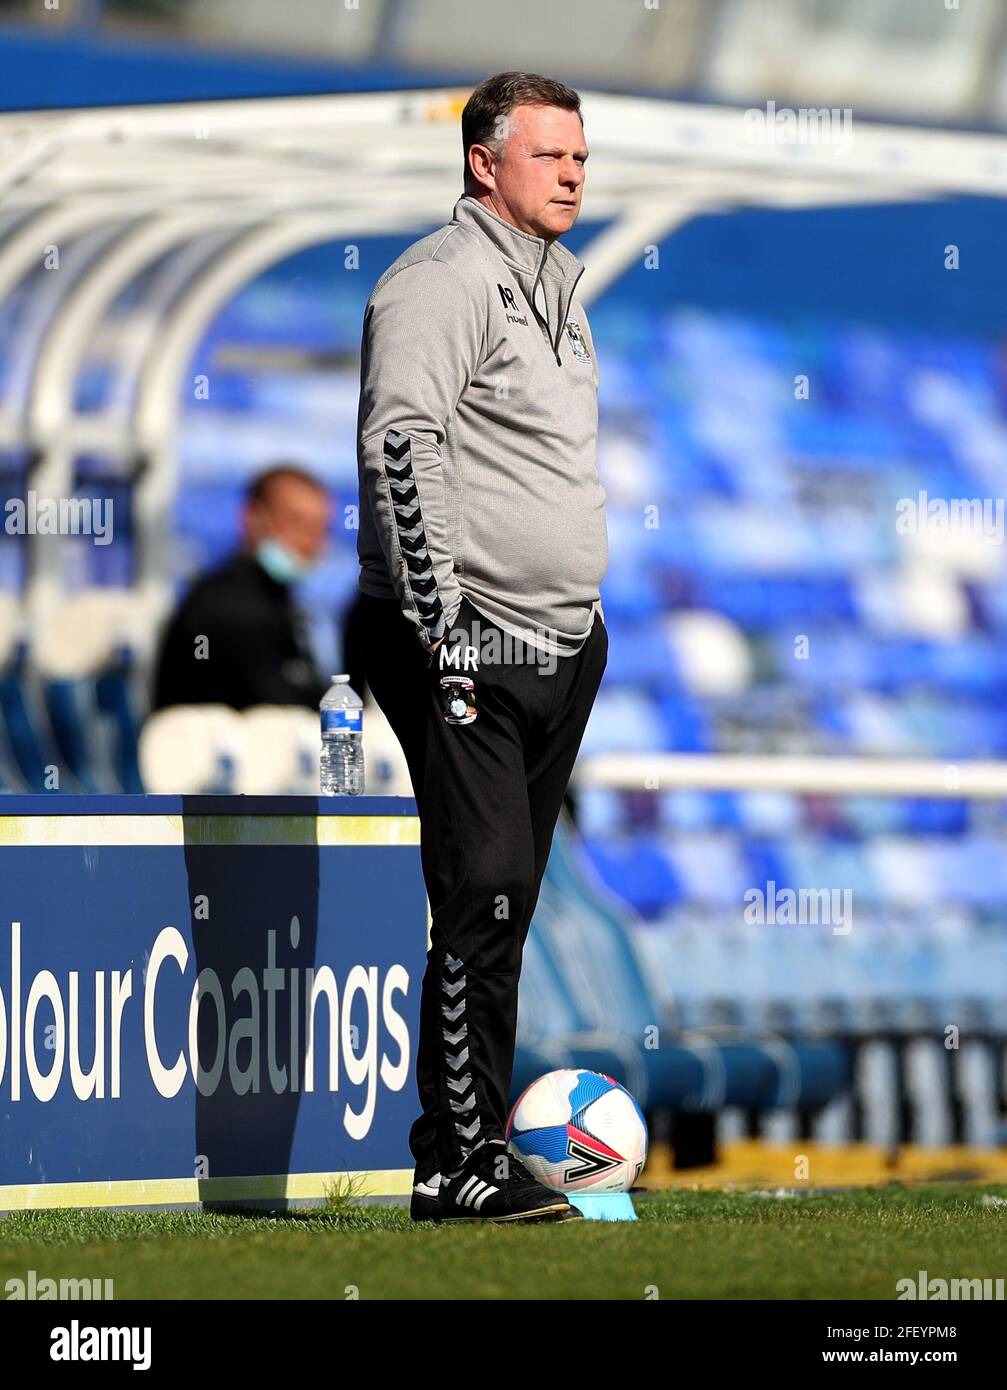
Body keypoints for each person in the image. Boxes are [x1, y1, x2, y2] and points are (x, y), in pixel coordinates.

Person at [356, 71, 609, 1223]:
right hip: (464, 642)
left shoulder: (561, 285)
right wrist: (440, 620)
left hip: (562, 644)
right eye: (549, 154)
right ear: (482, 163)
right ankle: (451, 1158)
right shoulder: (439, 280)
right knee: (483, 887)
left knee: (509, 900)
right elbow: (401, 439)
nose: (571, 171)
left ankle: (475, 1148)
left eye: (578, 155)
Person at [152, 465, 330, 712]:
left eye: (319, 528)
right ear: (253, 518)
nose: (309, 542)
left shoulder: (279, 600)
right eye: (295, 522)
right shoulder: (223, 607)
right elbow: (282, 709)